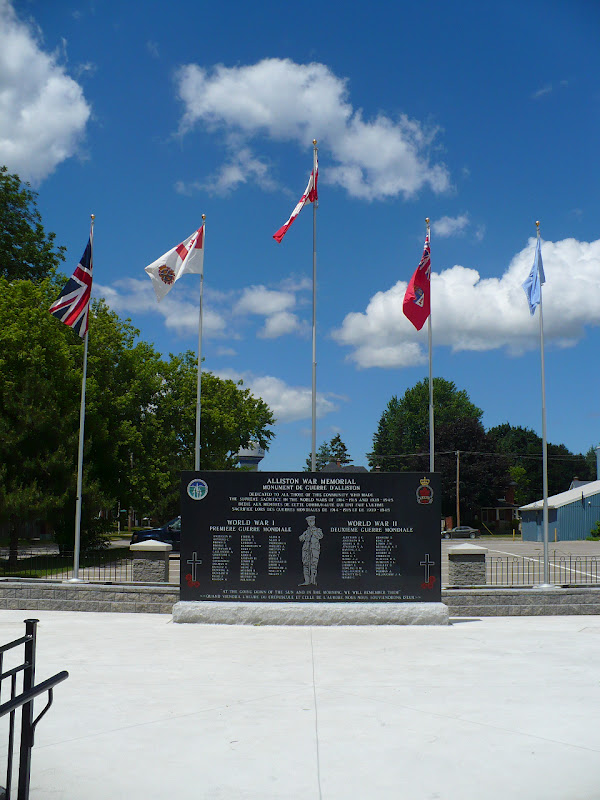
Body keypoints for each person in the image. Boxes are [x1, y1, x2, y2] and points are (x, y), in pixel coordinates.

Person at [299, 515, 323, 585]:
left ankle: (313, 581)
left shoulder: (318, 530)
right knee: (306, 565)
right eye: (308, 521)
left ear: (314, 521)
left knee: (313, 565)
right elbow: (300, 538)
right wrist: (304, 535)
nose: (310, 523)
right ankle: (307, 581)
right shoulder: (306, 531)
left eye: (311, 521)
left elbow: (320, 536)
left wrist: (314, 532)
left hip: (314, 550)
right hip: (306, 550)